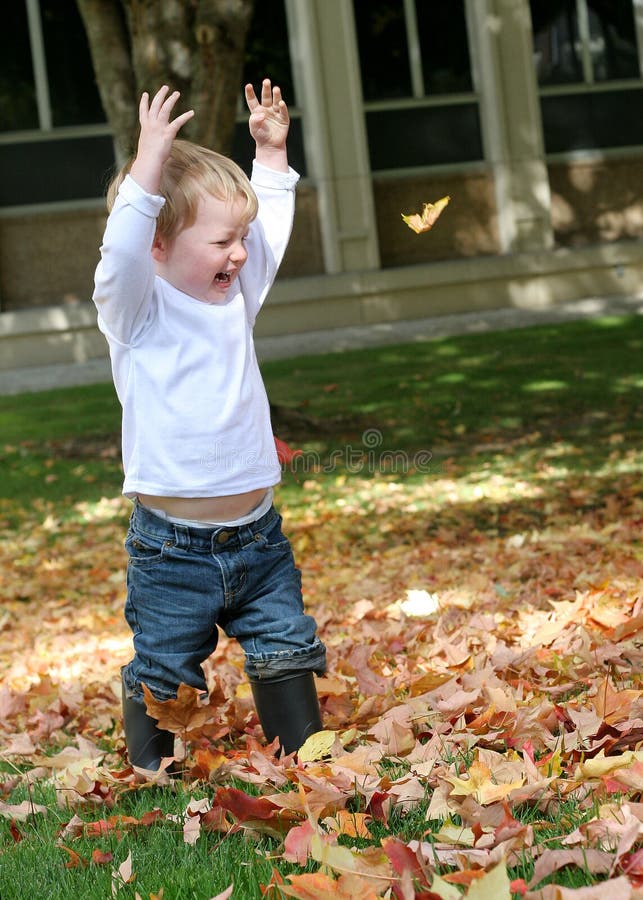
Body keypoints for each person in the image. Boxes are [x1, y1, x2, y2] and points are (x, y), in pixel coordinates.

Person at [92, 80, 326, 771]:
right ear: (160, 245)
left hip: (258, 534)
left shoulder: (233, 298)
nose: (240, 254)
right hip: (171, 553)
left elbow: (271, 235)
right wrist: (148, 167)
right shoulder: (136, 312)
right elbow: (122, 253)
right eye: (222, 240)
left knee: (285, 641)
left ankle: (304, 760)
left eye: (240, 239)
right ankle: (149, 772)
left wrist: (271, 154)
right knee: (165, 665)